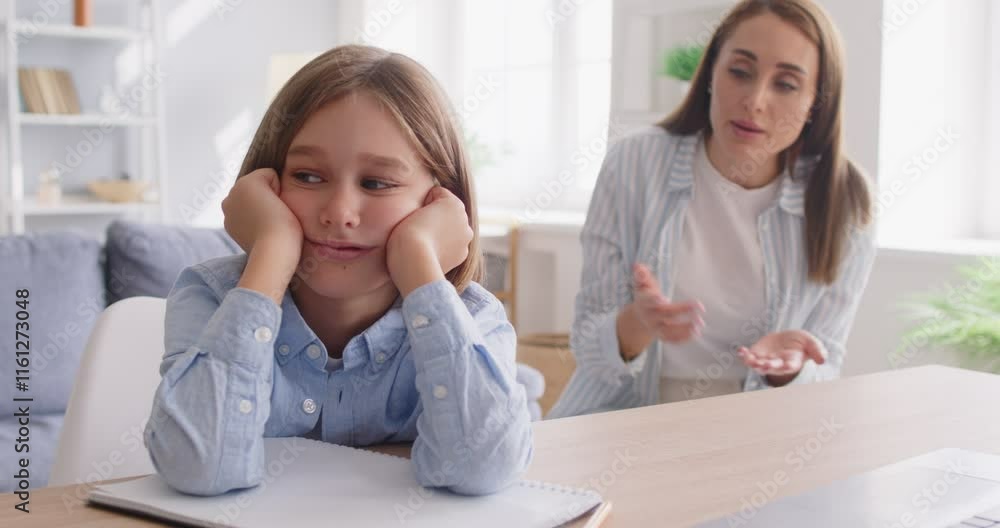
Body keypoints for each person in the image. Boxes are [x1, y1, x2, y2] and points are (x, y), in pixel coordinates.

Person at [144, 45, 532, 495]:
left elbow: (484, 468)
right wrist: (272, 251)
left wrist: (420, 266)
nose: (339, 213)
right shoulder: (210, 296)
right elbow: (196, 466)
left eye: (377, 183)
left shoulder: (471, 317)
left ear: (440, 202)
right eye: (308, 177)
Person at [549, 0, 876, 418]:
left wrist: (790, 372)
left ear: (816, 103)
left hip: (759, 426)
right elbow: (588, 345)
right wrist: (637, 324)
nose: (755, 101)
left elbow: (827, 365)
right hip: (620, 416)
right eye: (740, 72)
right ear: (710, 74)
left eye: (786, 84)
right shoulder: (634, 163)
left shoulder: (845, 199)